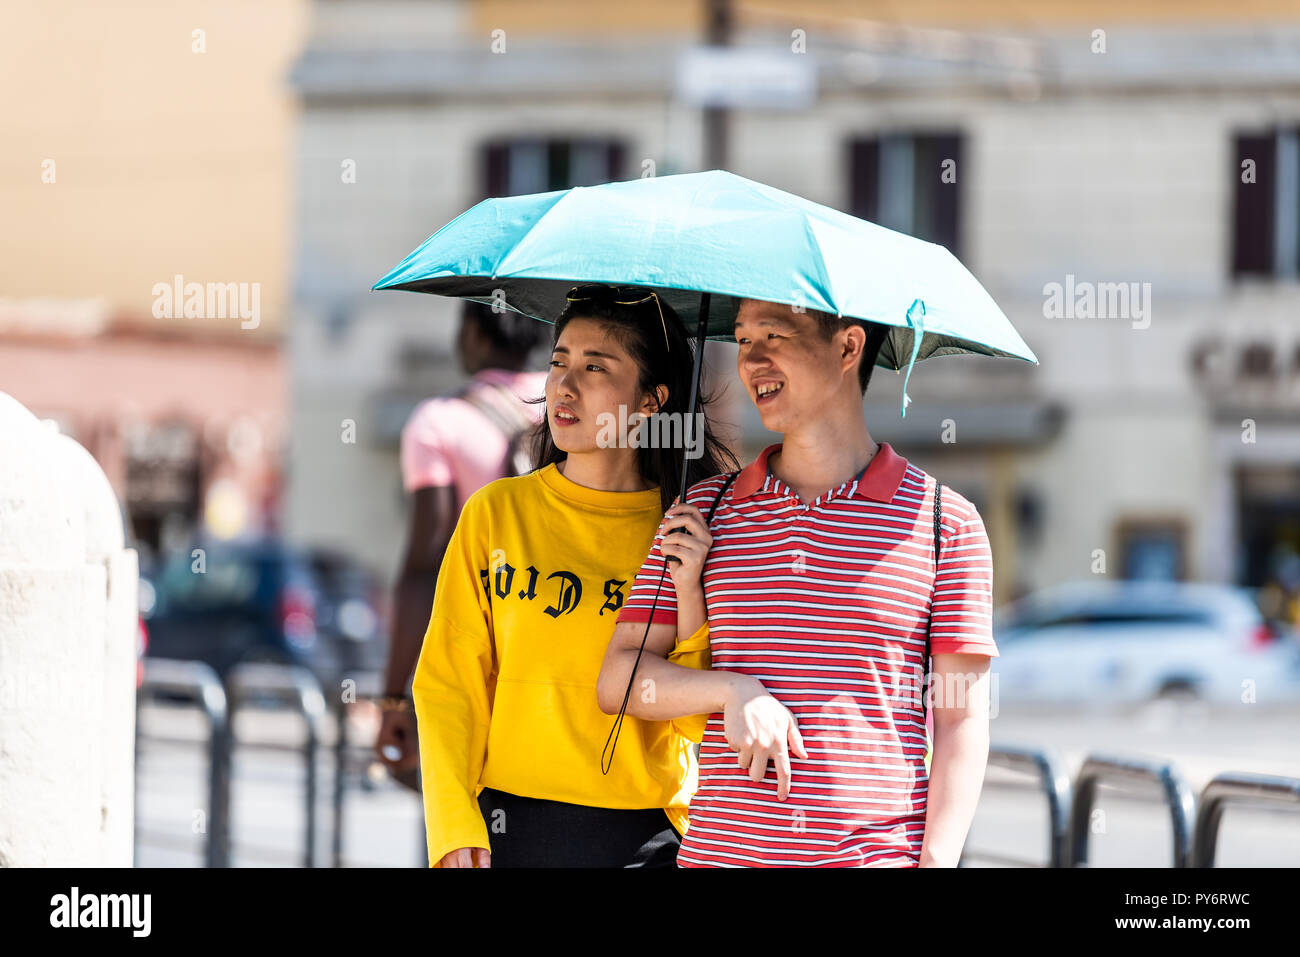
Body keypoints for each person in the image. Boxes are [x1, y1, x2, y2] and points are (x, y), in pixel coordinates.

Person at [598, 296, 999, 867]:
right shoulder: (704, 513)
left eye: (774, 337)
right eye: (741, 341)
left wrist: (937, 860)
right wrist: (732, 690)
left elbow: (961, 718)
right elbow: (620, 681)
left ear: (847, 347)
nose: (751, 360)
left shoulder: (944, 522)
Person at [412, 284, 739, 867]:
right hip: (508, 830)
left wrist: (690, 586)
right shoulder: (495, 514)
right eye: (559, 361)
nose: (565, 385)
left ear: (650, 400)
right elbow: (447, 685)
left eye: (595, 367)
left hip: (648, 841)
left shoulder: (686, 530)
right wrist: (452, 819)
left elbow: (695, 718)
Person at [376, 300, 546, 791]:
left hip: (476, 661)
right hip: (560, 649)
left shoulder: (438, 422)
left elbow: (424, 565)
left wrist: (392, 698)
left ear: (473, 334)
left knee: (460, 824)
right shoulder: (568, 405)